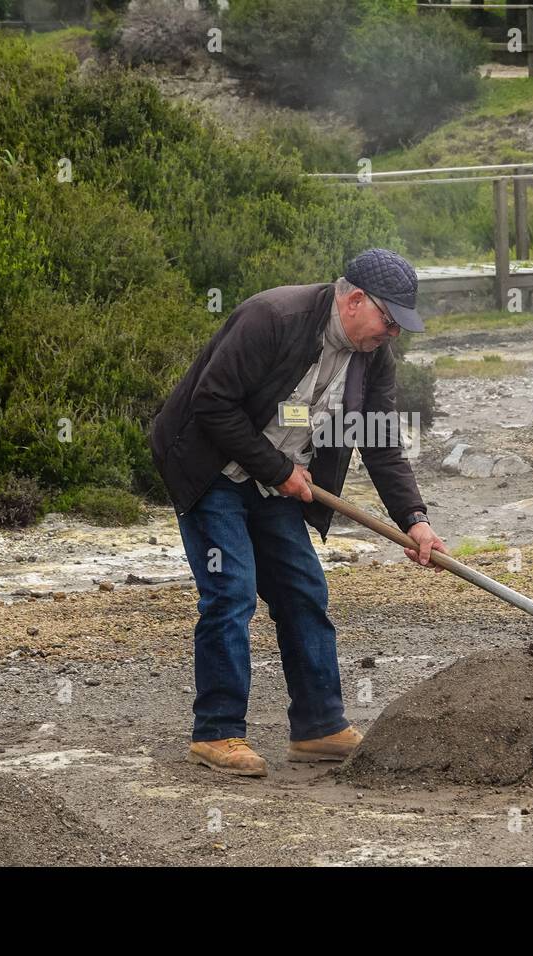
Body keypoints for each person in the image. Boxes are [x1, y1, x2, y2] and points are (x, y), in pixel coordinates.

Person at [151, 248, 449, 777]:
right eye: (390, 321)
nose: (393, 335)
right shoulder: (273, 317)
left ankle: (319, 727)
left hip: (278, 481)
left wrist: (414, 520)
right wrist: (277, 469)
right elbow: (211, 401)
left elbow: (379, 442)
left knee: (304, 591)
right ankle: (216, 733)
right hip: (210, 468)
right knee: (231, 591)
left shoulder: (372, 354)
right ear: (355, 300)